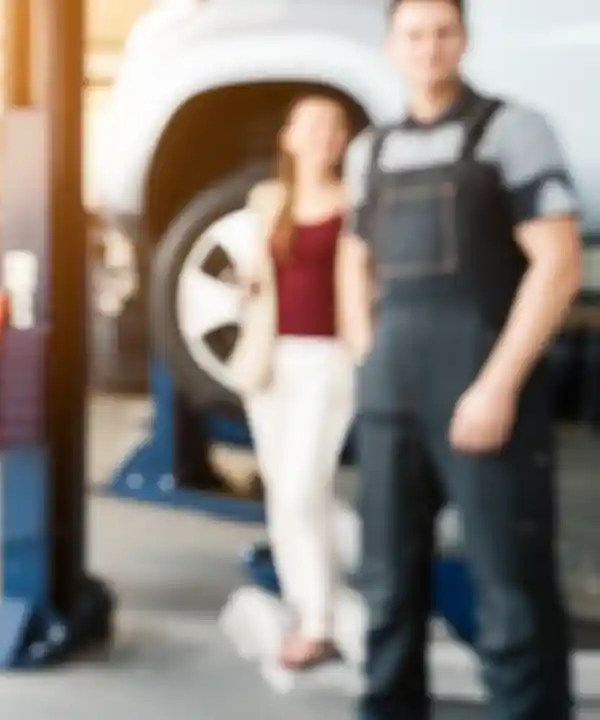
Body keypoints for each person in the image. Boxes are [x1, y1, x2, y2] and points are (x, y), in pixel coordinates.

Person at [341, 0, 583, 717]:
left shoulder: (512, 130)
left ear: (465, 40)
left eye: (443, 32)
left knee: (510, 591)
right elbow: (354, 262)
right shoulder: (371, 151)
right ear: (391, 45)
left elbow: (558, 264)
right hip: (392, 394)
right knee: (385, 587)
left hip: (483, 388)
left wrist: (498, 385)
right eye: (413, 34)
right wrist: (366, 354)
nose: (428, 47)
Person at [229, 94, 358, 670]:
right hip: (270, 362)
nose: (323, 136)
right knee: (285, 497)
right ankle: (307, 604)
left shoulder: (355, 205)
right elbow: (255, 279)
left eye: (333, 127)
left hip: (327, 362)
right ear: (289, 137)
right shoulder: (267, 203)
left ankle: (319, 621)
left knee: (305, 489)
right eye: (311, 125)